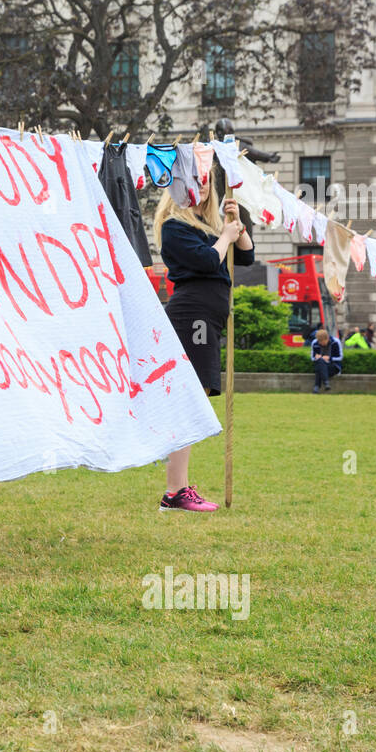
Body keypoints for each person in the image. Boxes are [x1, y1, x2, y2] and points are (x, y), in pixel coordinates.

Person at [153, 171, 252, 512]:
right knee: (191, 398)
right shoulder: (174, 226)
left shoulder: (206, 225)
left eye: (207, 179)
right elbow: (210, 260)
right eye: (195, 179)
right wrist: (224, 236)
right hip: (191, 315)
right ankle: (174, 490)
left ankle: (176, 488)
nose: (204, 185)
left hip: (208, 317)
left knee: (197, 397)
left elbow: (247, 256)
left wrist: (235, 225)